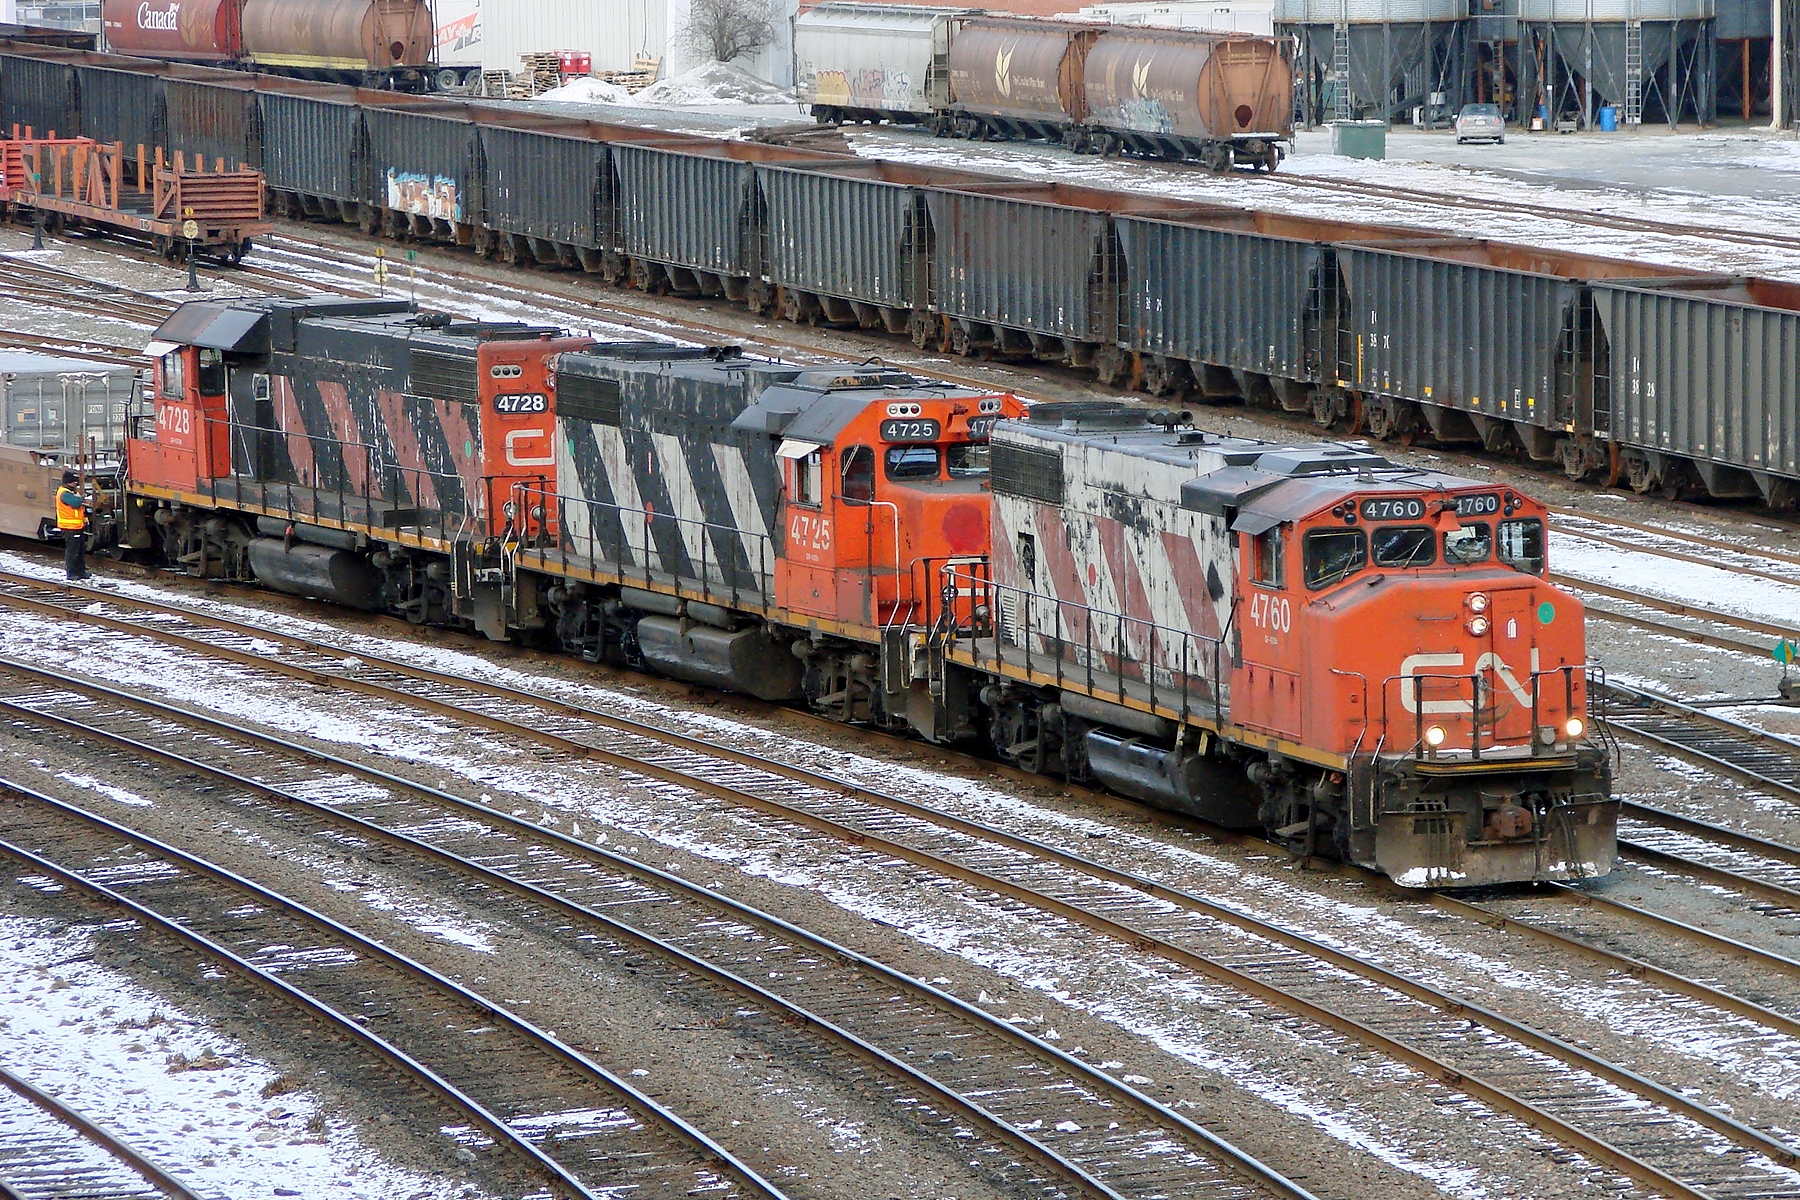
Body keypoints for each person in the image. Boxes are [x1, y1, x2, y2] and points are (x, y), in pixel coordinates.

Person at [55, 469, 90, 581]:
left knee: (80, 551)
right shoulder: (64, 493)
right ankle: (72, 573)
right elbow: (76, 503)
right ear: (68, 482)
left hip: (76, 527)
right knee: (73, 551)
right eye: (74, 482)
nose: (75, 484)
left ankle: (80, 571)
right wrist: (79, 498)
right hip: (69, 528)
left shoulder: (69, 493)